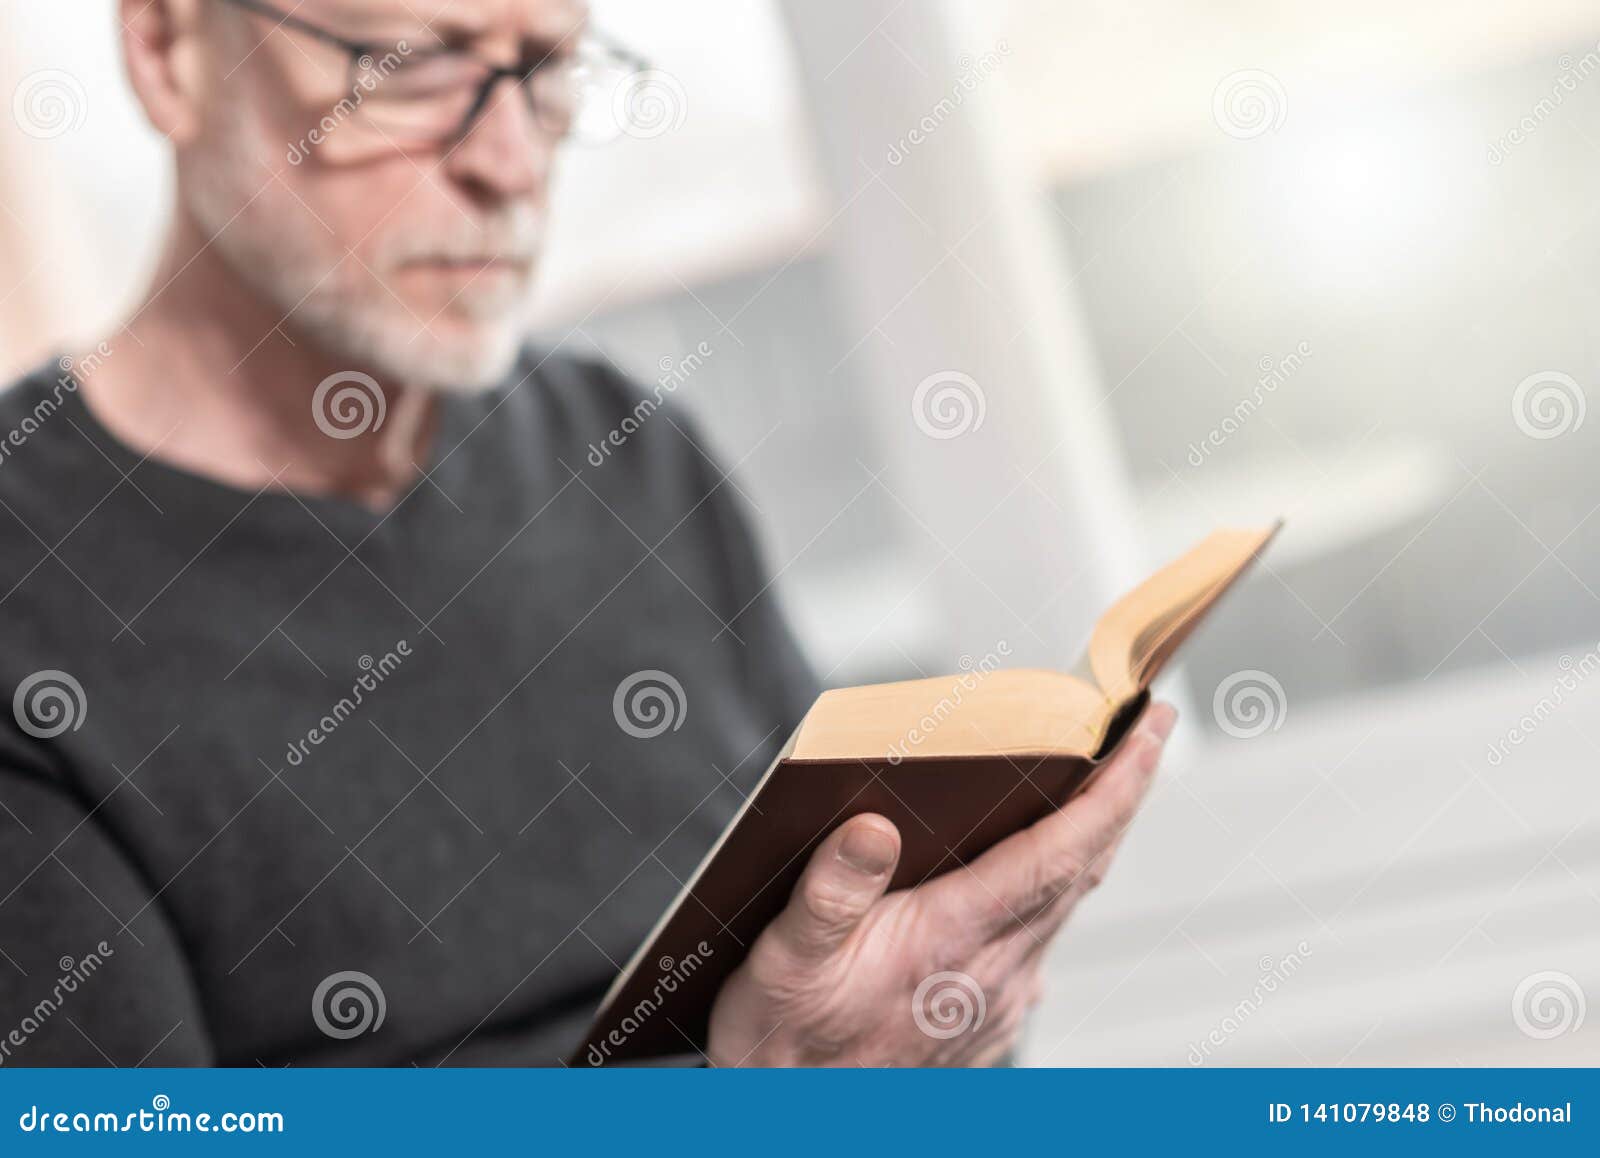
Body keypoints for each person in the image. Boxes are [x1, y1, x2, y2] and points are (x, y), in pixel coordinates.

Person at [0, 0, 1175, 1066]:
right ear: (166, 52)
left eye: (548, 69)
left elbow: (838, 982)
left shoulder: (625, 451)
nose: (509, 162)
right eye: (409, 64)